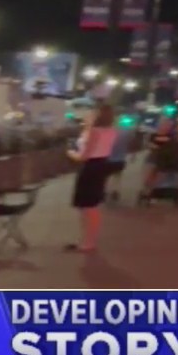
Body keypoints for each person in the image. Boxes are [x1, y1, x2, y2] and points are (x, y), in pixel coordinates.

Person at [68, 104, 120, 252]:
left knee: (87, 207)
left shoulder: (95, 132)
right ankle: (89, 240)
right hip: (101, 165)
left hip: (90, 167)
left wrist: (71, 154)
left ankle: (87, 241)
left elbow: (84, 156)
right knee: (92, 205)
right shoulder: (112, 131)